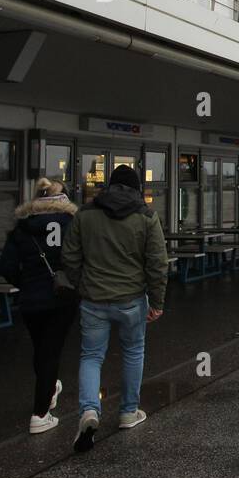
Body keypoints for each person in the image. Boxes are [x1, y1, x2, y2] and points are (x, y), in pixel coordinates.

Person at [64, 164, 168, 452]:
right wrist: (157, 302)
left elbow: (69, 257)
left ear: (108, 186)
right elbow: (157, 264)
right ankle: (128, 411)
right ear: (136, 189)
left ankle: (89, 410)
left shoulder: (85, 214)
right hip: (132, 299)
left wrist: (82, 285)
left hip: (94, 300)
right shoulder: (147, 217)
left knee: (91, 356)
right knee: (133, 352)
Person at [0, 177, 79, 435]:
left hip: (31, 298)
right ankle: (40, 413)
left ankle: (49, 388)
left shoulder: (22, 228)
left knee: (41, 348)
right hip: (62, 296)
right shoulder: (71, 224)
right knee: (51, 351)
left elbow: (6, 266)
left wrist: (24, 282)